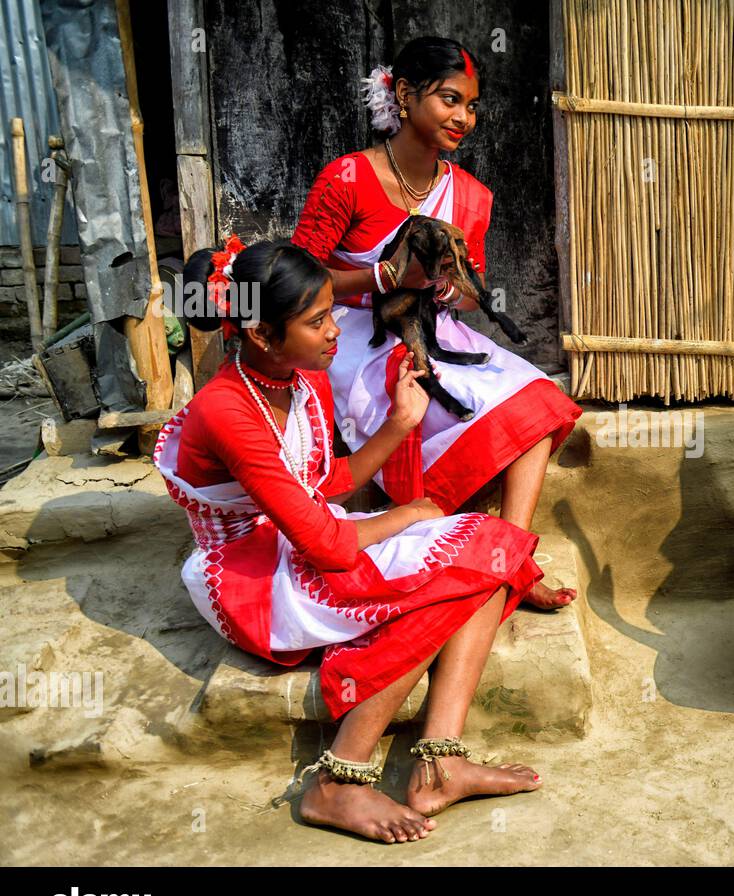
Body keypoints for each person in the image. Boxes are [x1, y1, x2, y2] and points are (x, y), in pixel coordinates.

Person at [156, 238, 547, 842]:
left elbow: (324, 480)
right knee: (462, 566)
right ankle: (337, 781)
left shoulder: (294, 381)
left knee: (493, 550)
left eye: (331, 310)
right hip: (252, 581)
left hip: (304, 540)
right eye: (316, 320)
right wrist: (408, 514)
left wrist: (399, 423)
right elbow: (328, 545)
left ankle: (439, 761)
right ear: (260, 334)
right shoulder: (226, 410)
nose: (336, 329)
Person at [291, 35, 579, 611]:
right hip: (351, 336)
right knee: (430, 397)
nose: (463, 117)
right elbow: (298, 282)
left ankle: (509, 559)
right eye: (450, 100)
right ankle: (457, 549)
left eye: (471, 106)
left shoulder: (468, 195)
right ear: (402, 94)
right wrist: (384, 279)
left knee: (538, 401)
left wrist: (449, 285)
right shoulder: (347, 178)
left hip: (437, 329)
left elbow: (470, 298)